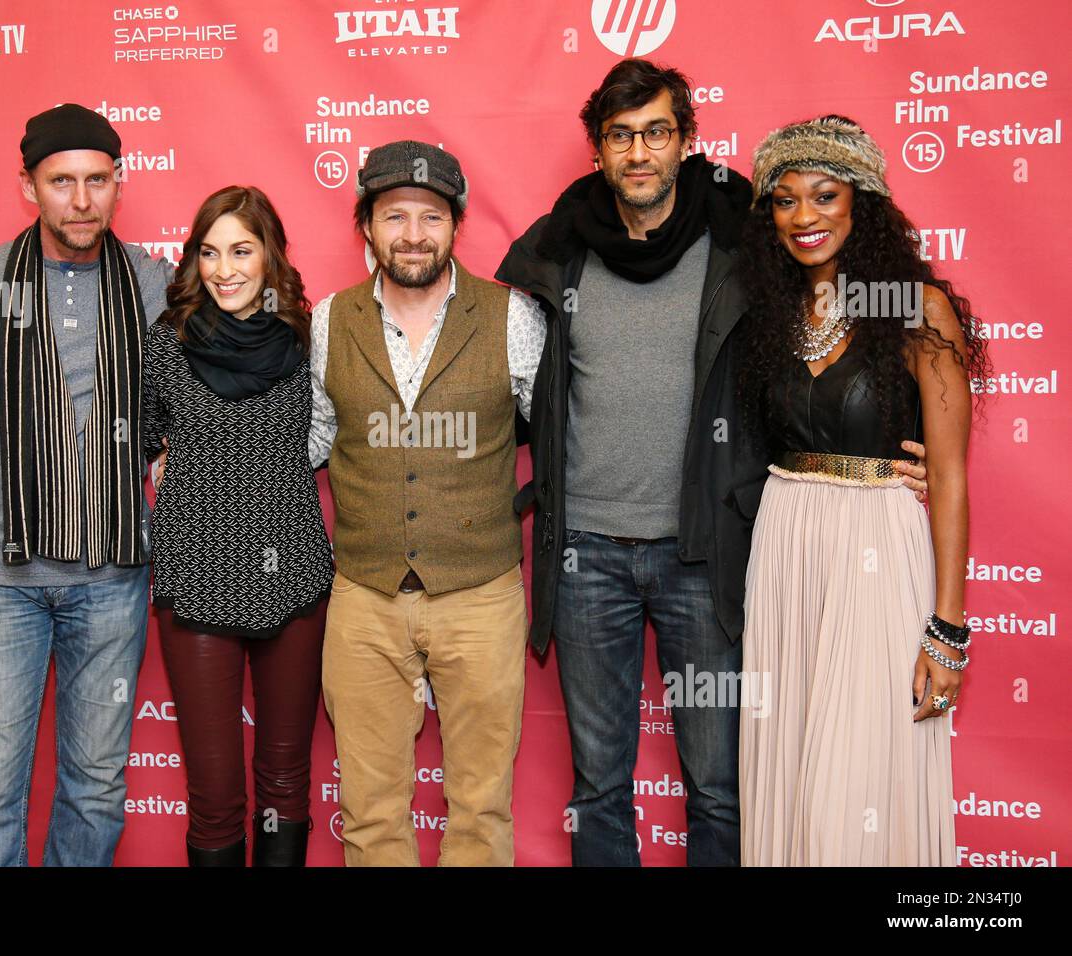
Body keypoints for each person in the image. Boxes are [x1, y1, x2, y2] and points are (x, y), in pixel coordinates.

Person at [496, 59, 929, 866]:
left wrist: (895, 457)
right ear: (598, 150)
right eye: (620, 136)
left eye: (657, 132)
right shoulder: (559, 252)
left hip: (709, 553)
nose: (638, 152)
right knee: (598, 787)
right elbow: (516, 394)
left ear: (686, 140)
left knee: (720, 788)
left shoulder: (743, 238)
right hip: (586, 556)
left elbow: (849, 328)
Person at [0, 104, 171, 866]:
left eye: (97, 181)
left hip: (114, 576)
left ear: (118, 185)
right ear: (28, 185)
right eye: (62, 181)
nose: (81, 200)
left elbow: (184, 421)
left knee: (96, 795)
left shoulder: (156, 284)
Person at [735, 116, 989, 865]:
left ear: (864, 202)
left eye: (824, 195)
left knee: (858, 778)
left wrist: (947, 630)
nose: (803, 217)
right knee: (787, 766)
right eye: (783, 200)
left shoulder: (914, 308)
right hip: (785, 544)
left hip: (877, 545)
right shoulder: (769, 312)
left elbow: (947, 475)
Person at [310, 141, 546, 866]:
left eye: (431, 216)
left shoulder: (512, 318)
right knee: (371, 811)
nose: (413, 234)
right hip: (365, 596)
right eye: (394, 216)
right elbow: (314, 436)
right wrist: (207, 460)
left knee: (480, 807)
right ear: (367, 227)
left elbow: (559, 437)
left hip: (480, 595)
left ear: (456, 225)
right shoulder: (328, 320)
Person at [143, 185, 333, 867]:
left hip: (296, 576)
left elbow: (327, 437)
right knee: (215, 793)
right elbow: (139, 435)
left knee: (285, 781)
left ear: (269, 257)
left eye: (242, 250)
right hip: (196, 582)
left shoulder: (307, 337)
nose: (224, 268)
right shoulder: (167, 343)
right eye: (210, 251)